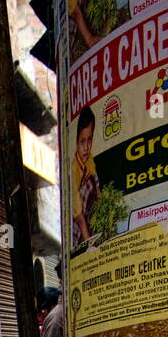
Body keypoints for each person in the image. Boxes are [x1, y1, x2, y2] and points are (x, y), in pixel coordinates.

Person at [72, 105, 101, 246]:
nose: (86, 147)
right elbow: (79, 217)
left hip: (88, 216)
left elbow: (97, 188)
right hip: (77, 226)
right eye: (82, 141)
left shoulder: (89, 160)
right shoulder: (73, 171)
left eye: (89, 140)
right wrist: (90, 244)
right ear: (77, 141)